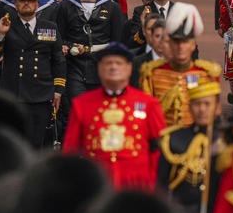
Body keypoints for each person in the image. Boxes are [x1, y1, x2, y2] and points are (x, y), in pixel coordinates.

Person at [63, 42, 166, 189]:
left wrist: (152, 183)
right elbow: (70, 152)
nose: (113, 67)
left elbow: (159, 149)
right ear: (99, 69)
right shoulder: (82, 104)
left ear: (129, 68)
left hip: (136, 186)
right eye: (108, 63)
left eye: (119, 63)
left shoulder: (148, 103)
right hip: (97, 186)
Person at [0, 0, 65, 148]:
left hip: (41, 94)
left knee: (37, 142)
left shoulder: (49, 28)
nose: (26, 4)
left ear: (37, 4)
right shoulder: (7, 26)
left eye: (30, 1)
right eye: (22, 0)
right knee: (14, 143)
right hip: (14, 93)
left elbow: (58, 60)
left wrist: (58, 90)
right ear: (16, 4)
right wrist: (0, 34)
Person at [139, 3, 222, 127]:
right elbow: (144, 113)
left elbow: (213, 117)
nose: (180, 47)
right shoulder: (152, 73)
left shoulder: (207, 74)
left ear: (193, 45)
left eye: (185, 42)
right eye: (176, 42)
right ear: (169, 44)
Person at [157, 79, 222, 213]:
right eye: (197, 104)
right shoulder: (173, 140)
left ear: (217, 108)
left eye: (207, 104)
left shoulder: (226, 141)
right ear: (190, 107)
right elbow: (162, 184)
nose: (202, 110)